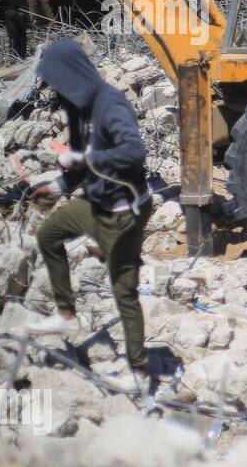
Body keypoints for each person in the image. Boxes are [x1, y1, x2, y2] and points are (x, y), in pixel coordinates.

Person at [25, 39, 154, 373]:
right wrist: (57, 187)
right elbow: (80, 164)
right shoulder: (76, 106)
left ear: (72, 75)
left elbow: (135, 151)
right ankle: (67, 315)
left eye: (57, 81)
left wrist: (86, 156)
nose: (55, 90)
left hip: (124, 214)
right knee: (49, 235)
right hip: (96, 205)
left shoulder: (110, 104)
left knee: (124, 293)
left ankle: (139, 372)